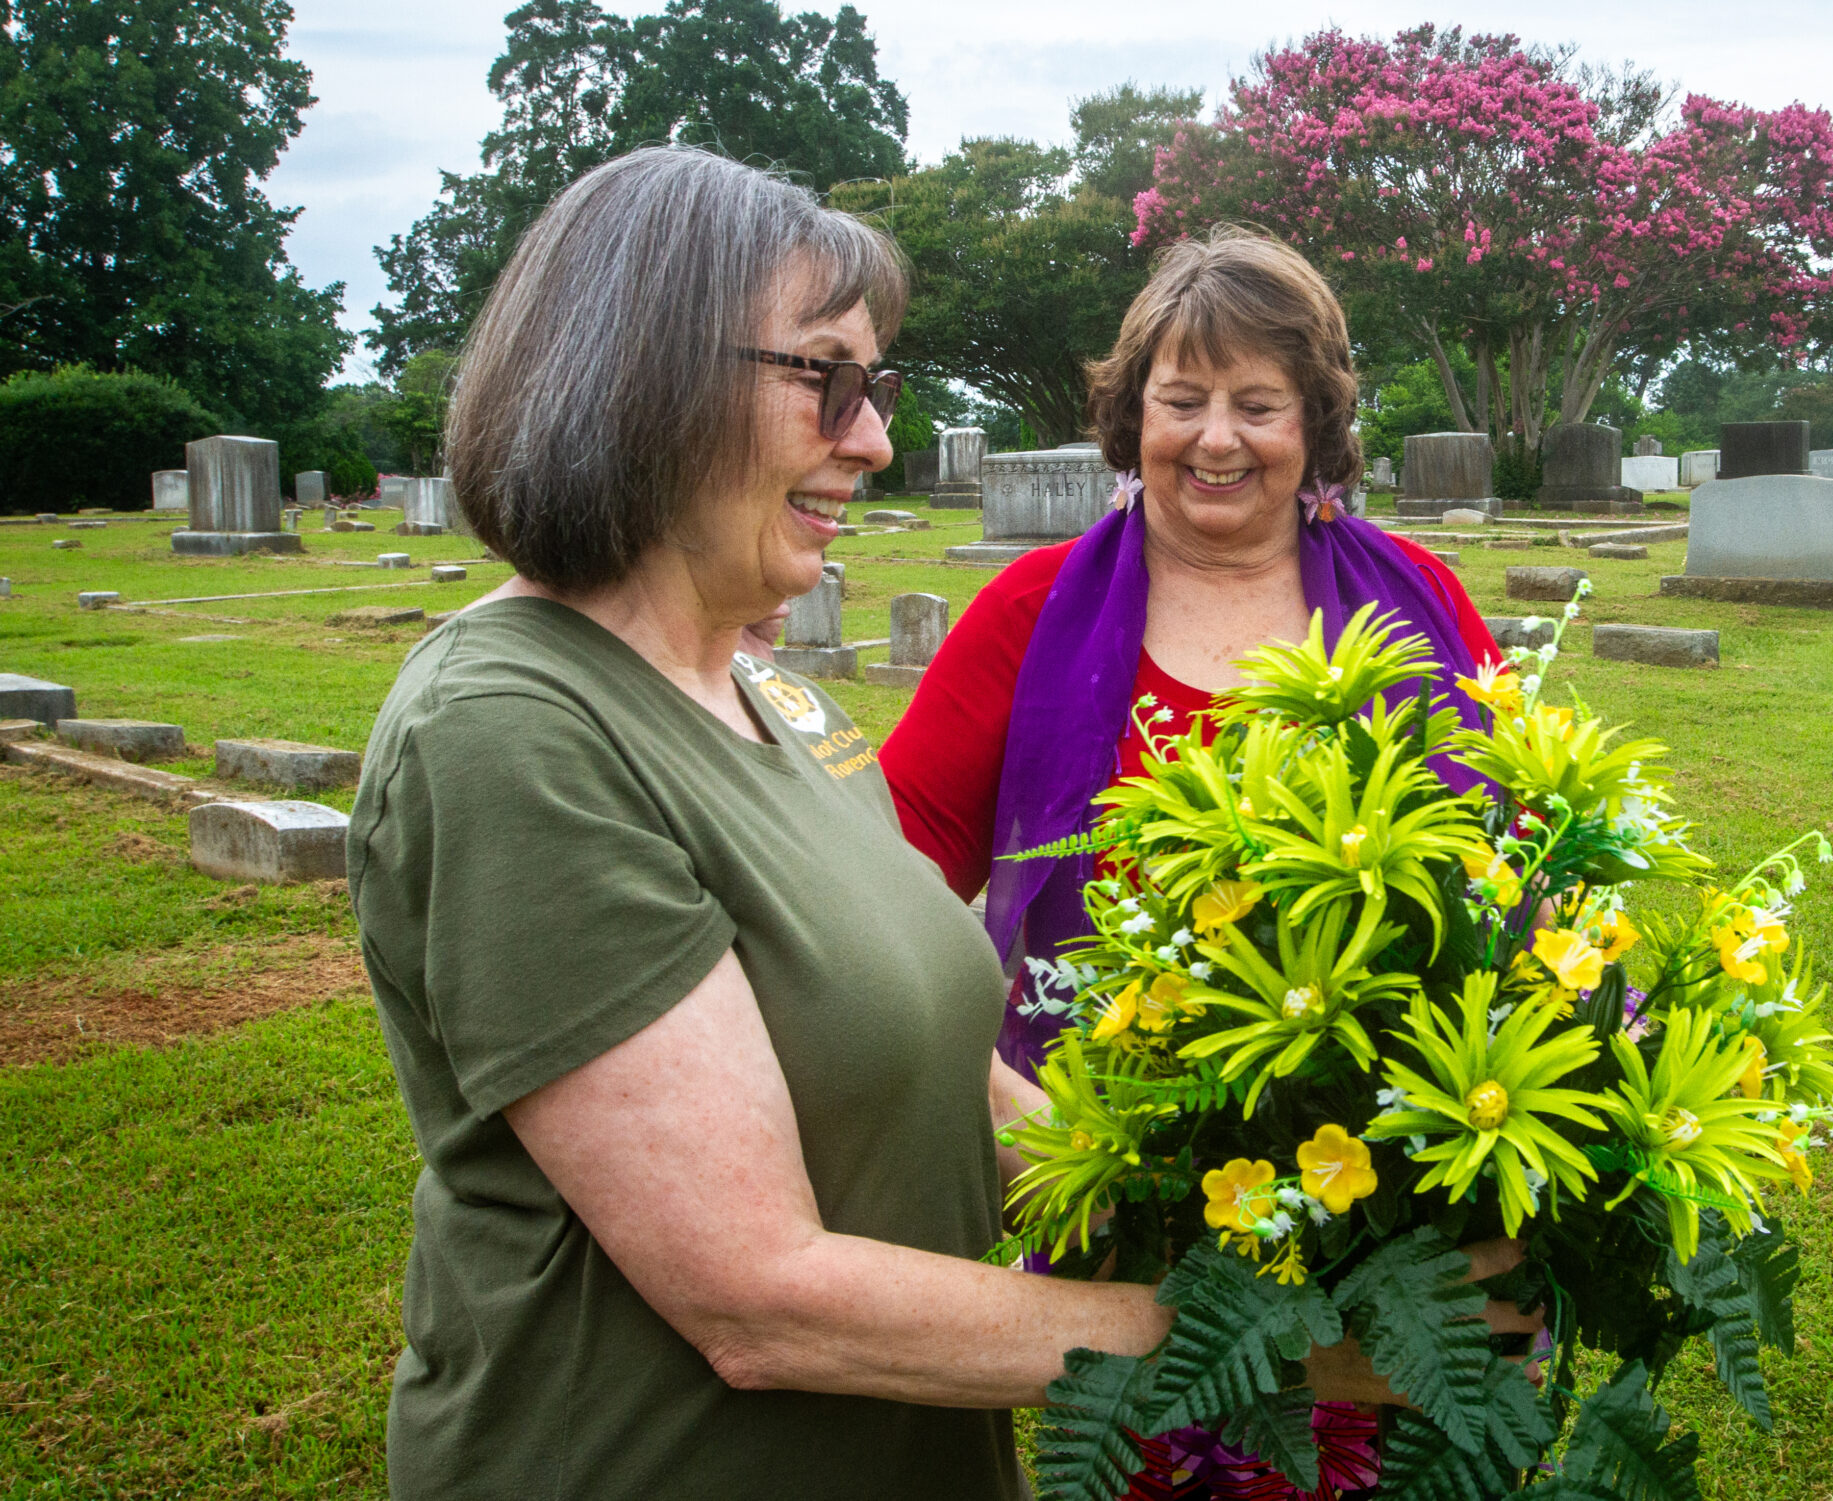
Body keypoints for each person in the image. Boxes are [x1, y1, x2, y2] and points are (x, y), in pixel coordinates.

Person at [346, 151, 1501, 1500]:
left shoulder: (767, 689)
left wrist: (1282, 1228)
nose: (875, 436)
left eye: (877, 386)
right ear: (644, 376)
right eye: (826, 379)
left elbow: (953, 1065)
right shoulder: (515, 729)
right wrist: (1279, 1344)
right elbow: (758, 1298)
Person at [879, 227, 1505, 1497]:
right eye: (1181, 400)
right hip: (1117, 1197)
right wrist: (999, 1092)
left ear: (1316, 425)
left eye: (1258, 404)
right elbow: (874, 892)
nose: (1217, 438)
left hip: (1391, 1200)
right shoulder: (1029, 615)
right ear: (1131, 417)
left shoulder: (1421, 601)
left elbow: (1508, 874)